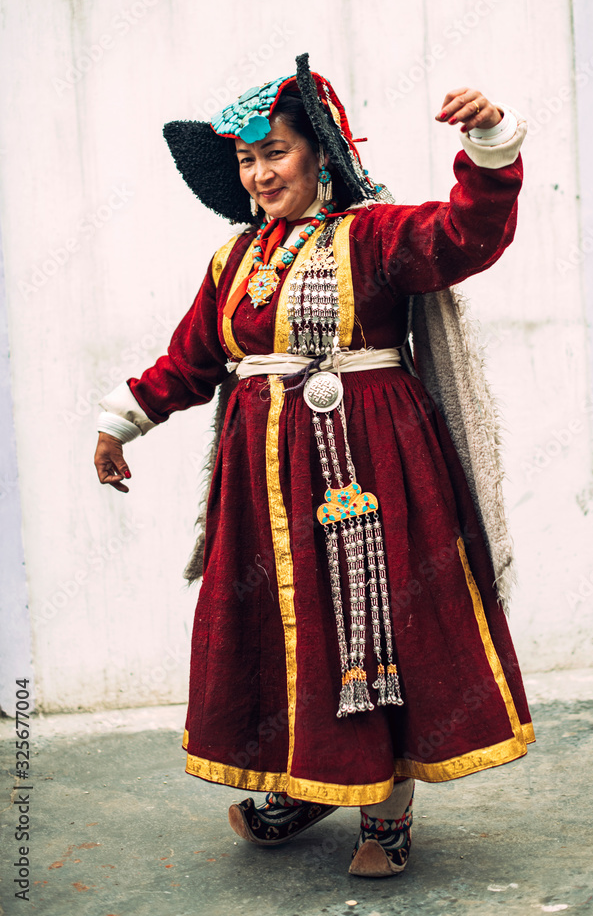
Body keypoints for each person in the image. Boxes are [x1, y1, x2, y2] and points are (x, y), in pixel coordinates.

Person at [94, 53, 533, 878]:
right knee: (278, 626)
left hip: (370, 473)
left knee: (372, 621)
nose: (259, 175)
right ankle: (311, 778)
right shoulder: (234, 261)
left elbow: (465, 234)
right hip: (261, 484)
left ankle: (386, 809)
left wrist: (489, 141)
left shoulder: (374, 235)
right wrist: (122, 424)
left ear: (320, 155)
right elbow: (192, 360)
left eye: (276, 153)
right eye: (246, 159)